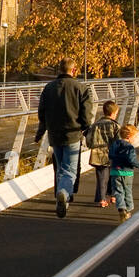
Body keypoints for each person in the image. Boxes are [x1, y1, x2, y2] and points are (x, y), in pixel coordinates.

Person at [35, 58, 96, 219]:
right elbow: (86, 112)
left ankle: (63, 200)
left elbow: (42, 112)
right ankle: (63, 192)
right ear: (73, 70)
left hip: (54, 134)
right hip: (73, 134)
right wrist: (86, 128)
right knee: (70, 170)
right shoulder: (80, 88)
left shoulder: (48, 88)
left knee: (60, 167)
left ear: (59, 70)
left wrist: (41, 131)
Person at [85, 100, 121, 207]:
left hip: (98, 155)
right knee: (114, 175)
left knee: (102, 177)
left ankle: (101, 199)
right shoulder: (115, 126)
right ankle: (113, 196)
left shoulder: (95, 125)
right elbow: (119, 141)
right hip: (112, 154)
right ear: (113, 113)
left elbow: (89, 141)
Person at [109, 123, 139, 223]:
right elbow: (131, 159)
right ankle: (128, 210)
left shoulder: (115, 144)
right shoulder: (130, 147)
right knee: (127, 191)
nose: (135, 139)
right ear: (129, 136)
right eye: (134, 137)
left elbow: (110, 155)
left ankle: (121, 208)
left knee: (118, 191)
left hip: (115, 171)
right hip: (127, 172)